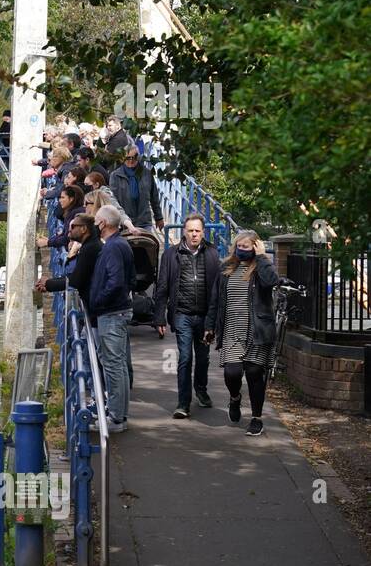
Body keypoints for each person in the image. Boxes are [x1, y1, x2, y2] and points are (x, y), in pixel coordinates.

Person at [206, 230, 278, 436]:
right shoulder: (226, 268)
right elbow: (215, 301)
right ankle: (235, 397)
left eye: (247, 246)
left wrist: (263, 257)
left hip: (257, 331)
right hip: (231, 330)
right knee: (232, 373)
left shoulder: (262, 268)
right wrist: (209, 326)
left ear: (255, 247)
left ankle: (256, 418)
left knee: (255, 373)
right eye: (240, 246)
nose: (242, 250)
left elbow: (272, 281)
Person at [153, 213, 220, 418]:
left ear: (203, 232)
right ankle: (183, 403)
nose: (194, 234)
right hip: (182, 313)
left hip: (204, 316)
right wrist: (159, 317)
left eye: (197, 231)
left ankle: (201, 389)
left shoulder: (212, 253)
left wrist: (214, 320)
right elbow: (162, 286)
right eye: (190, 230)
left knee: (202, 358)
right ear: (184, 232)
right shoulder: (171, 255)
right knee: (185, 357)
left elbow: (217, 290)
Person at [90, 206, 135, 433]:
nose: (93, 223)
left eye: (96, 220)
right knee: (118, 366)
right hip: (115, 311)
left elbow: (116, 281)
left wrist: (98, 300)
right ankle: (119, 414)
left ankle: (117, 417)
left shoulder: (114, 247)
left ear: (104, 223)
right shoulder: (120, 244)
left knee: (114, 366)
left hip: (111, 313)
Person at [36, 213, 101, 305]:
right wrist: (49, 282)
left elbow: (76, 280)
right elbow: (76, 276)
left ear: (83, 229)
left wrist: (48, 284)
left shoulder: (90, 249)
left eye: (73, 226)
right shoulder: (90, 245)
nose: (69, 230)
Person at [108, 145, 164, 233]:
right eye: (128, 158)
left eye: (134, 157)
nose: (131, 160)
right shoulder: (115, 176)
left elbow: (154, 197)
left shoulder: (147, 173)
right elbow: (113, 200)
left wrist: (159, 217)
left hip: (144, 221)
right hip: (124, 223)